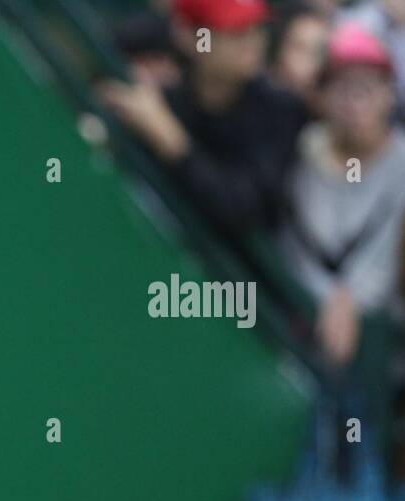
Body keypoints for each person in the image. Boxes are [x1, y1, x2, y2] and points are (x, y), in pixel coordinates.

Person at [99, 0, 310, 238]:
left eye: (257, 28)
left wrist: (172, 141)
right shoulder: (168, 100)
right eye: (235, 31)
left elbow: (241, 208)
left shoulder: (281, 110)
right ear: (189, 37)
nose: (251, 42)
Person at [276, 21, 405, 393]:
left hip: (380, 354)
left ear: (388, 95)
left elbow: (386, 270)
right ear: (323, 96)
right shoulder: (298, 150)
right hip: (297, 337)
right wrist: (330, 298)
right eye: (343, 88)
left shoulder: (400, 164)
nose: (354, 102)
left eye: (367, 88)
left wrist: (351, 299)